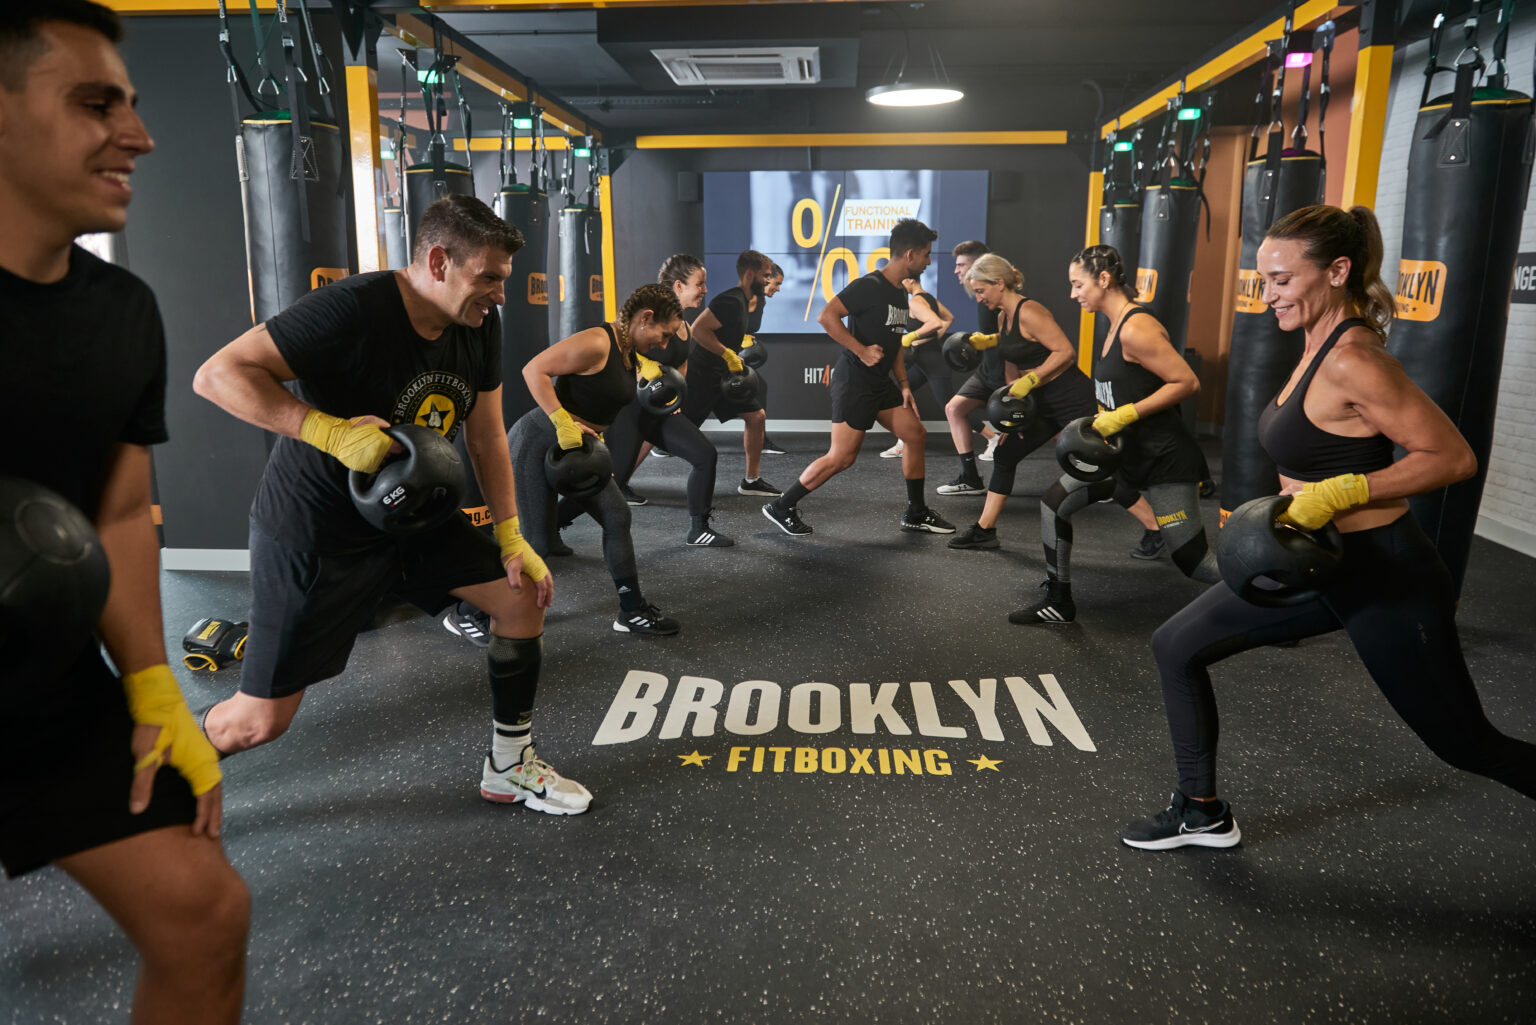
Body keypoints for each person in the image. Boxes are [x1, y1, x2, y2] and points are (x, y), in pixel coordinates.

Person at [1122, 204, 1536, 850]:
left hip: (1382, 571)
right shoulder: (1312, 344)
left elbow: (1453, 456)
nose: (1269, 294)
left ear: (1337, 270)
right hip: (1315, 560)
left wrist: (1344, 489)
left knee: (1465, 742)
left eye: (1284, 279)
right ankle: (1200, 810)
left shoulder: (1354, 358)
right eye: (1264, 279)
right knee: (1176, 644)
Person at [0, 4, 248, 1021]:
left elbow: (115, 508)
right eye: (95, 104)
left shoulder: (121, 311)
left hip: (40, 684)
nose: (139, 135)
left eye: (134, 106)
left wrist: (152, 686)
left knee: (203, 913)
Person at [193, 194, 591, 816]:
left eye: (503, 280)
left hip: (413, 515)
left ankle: (509, 766)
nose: (499, 294)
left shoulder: (478, 323)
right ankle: (157, 762)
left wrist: (513, 538)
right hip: (319, 530)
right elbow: (217, 374)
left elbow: (486, 433)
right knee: (258, 722)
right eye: (487, 277)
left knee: (521, 598)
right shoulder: (353, 309)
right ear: (438, 260)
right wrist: (328, 431)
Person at [1012, 244, 1220, 625]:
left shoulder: (1136, 328)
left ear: (1103, 280)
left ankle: (1274, 599)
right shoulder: (1113, 327)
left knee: (1194, 561)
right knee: (1055, 502)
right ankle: (1059, 601)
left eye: (1078, 285)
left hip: (1164, 458)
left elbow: (1186, 382)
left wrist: (1124, 415)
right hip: (1126, 455)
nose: (1073, 294)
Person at [507, 283, 687, 633]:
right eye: (663, 335)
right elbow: (534, 370)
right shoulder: (597, 342)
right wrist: (562, 421)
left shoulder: (629, 350)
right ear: (645, 318)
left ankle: (631, 610)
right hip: (538, 439)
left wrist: (599, 455)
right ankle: (474, 612)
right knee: (537, 543)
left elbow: (597, 404)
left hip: (579, 450)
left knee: (617, 517)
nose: (664, 344)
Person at [762, 218, 954, 537]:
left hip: (881, 384)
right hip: (855, 382)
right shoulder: (870, 286)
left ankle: (916, 512)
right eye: (926, 254)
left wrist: (904, 384)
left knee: (915, 435)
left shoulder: (899, 295)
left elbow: (893, 346)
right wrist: (862, 350)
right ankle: (782, 505)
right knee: (842, 458)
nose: (928, 261)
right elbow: (827, 316)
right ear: (909, 254)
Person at [944, 254, 1096, 550]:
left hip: (1071, 399)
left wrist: (1030, 380)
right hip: (1041, 403)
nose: (978, 299)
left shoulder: (1030, 311)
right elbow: (1011, 358)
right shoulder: (1003, 317)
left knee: (1097, 465)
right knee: (1005, 454)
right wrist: (1013, 410)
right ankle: (985, 530)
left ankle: (1154, 528)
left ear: (999, 283)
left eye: (980, 291)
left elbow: (1065, 352)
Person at [600, 255, 733, 547]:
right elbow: (613, 337)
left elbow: (679, 368)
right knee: (609, 480)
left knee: (704, 455)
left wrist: (674, 398)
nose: (704, 290)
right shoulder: (649, 311)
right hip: (629, 410)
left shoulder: (682, 323)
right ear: (678, 285)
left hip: (658, 412)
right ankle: (554, 524)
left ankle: (699, 528)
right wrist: (640, 369)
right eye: (699, 284)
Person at [686, 249, 779, 497]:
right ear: (750, 274)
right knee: (662, 428)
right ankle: (621, 482)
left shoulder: (750, 302)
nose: (769, 281)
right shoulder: (730, 300)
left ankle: (751, 480)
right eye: (765, 276)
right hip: (702, 375)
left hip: (724, 377)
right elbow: (698, 329)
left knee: (756, 416)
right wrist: (726, 353)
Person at [937, 240, 1003, 494]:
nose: (956, 270)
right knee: (954, 409)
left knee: (1047, 428)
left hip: (1007, 374)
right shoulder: (980, 295)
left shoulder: (997, 297)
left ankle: (1095, 471)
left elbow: (1011, 337)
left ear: (979, 264)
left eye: (961, 264)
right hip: (988, 371)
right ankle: (970, 478)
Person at [881, 275, 955, 459]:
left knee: (953, 407)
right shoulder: (928, 298)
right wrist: (929, 338)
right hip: (922, 362)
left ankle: (991, 438)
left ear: (912, 281)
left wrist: (911, 337)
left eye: (903, 281)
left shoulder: (915, 302)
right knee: (900, 394)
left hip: (933, 363)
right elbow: (948, 318)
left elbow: (937, 323)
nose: (901, 284)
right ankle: (904, 440)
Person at [749, 261, 787, 456]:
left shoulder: (760, 300)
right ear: (765, 279)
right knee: (701, 402)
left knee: (759, 387)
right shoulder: (745, 298)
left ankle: (761, 440)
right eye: (776, 283)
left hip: (734, 356)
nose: (778, 289)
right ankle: (664, 443)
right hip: (717, 355)